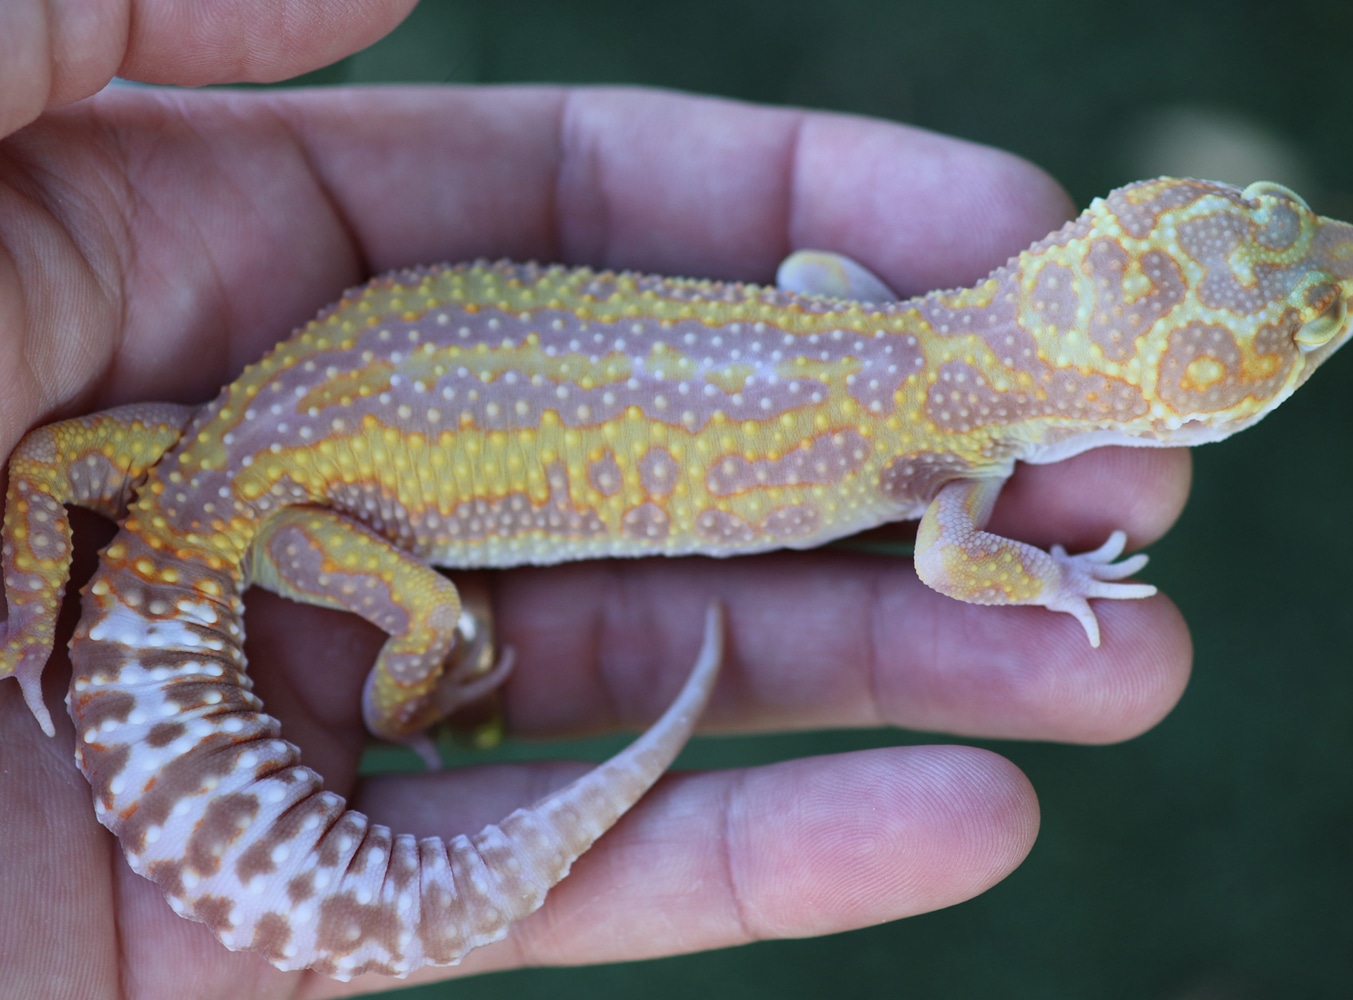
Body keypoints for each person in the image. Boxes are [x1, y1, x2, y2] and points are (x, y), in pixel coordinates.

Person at [0, 5, 1192, 997]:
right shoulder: (956, 452)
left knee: (53, 461)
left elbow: (810, 278)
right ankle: (422, 701)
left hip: (223, 443)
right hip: (275, 511)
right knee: (425, 620)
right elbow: (949, 562)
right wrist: (1052, 574)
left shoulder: (885, 319)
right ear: (1144, 407)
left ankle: (23, 624)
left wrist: (31, 616)